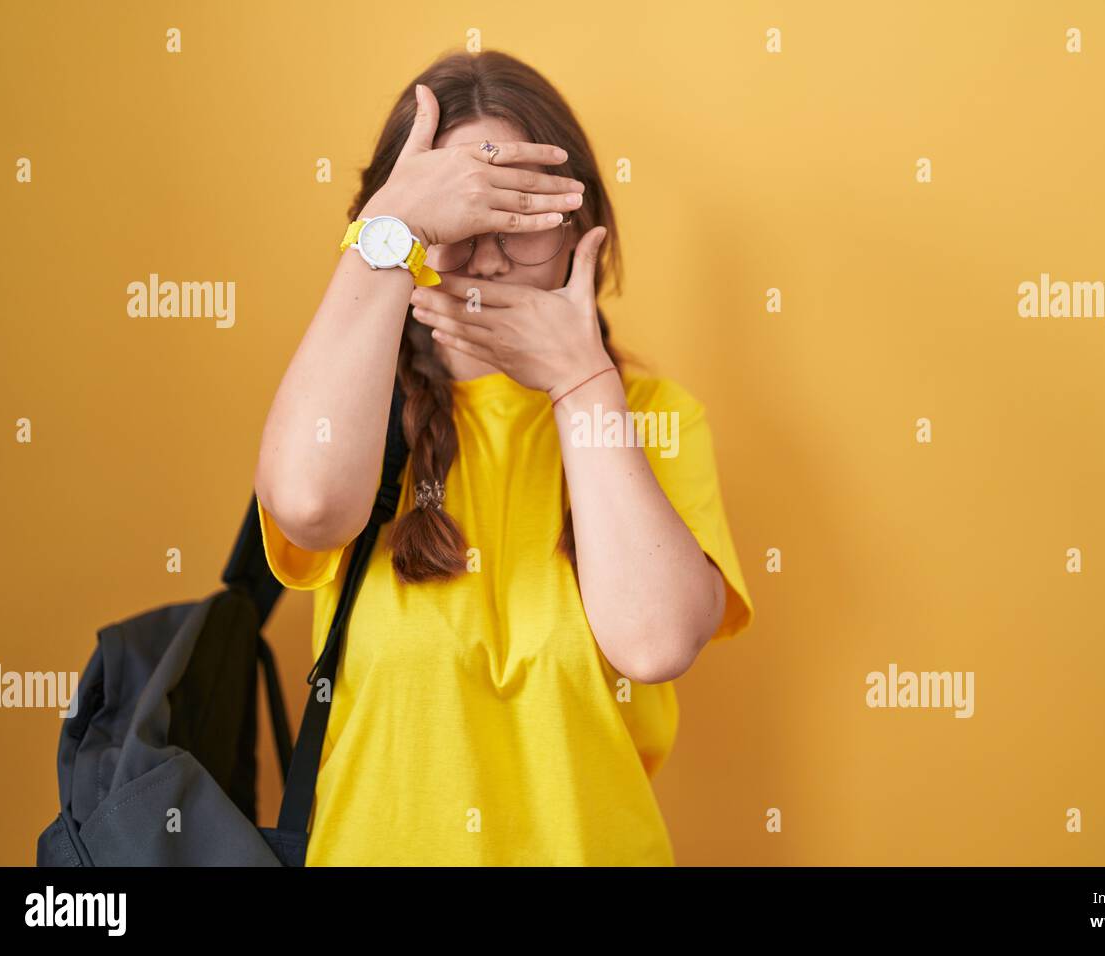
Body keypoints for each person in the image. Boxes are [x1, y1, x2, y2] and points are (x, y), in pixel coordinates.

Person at [254, 49, 753, 865]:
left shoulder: (656, 417)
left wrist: (582, 380)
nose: (487, 263)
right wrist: (391, 228)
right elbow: (308, 503)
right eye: (459, 225)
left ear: (580, 230)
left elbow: (656, 642)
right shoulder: (357, 404)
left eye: (519, 221)